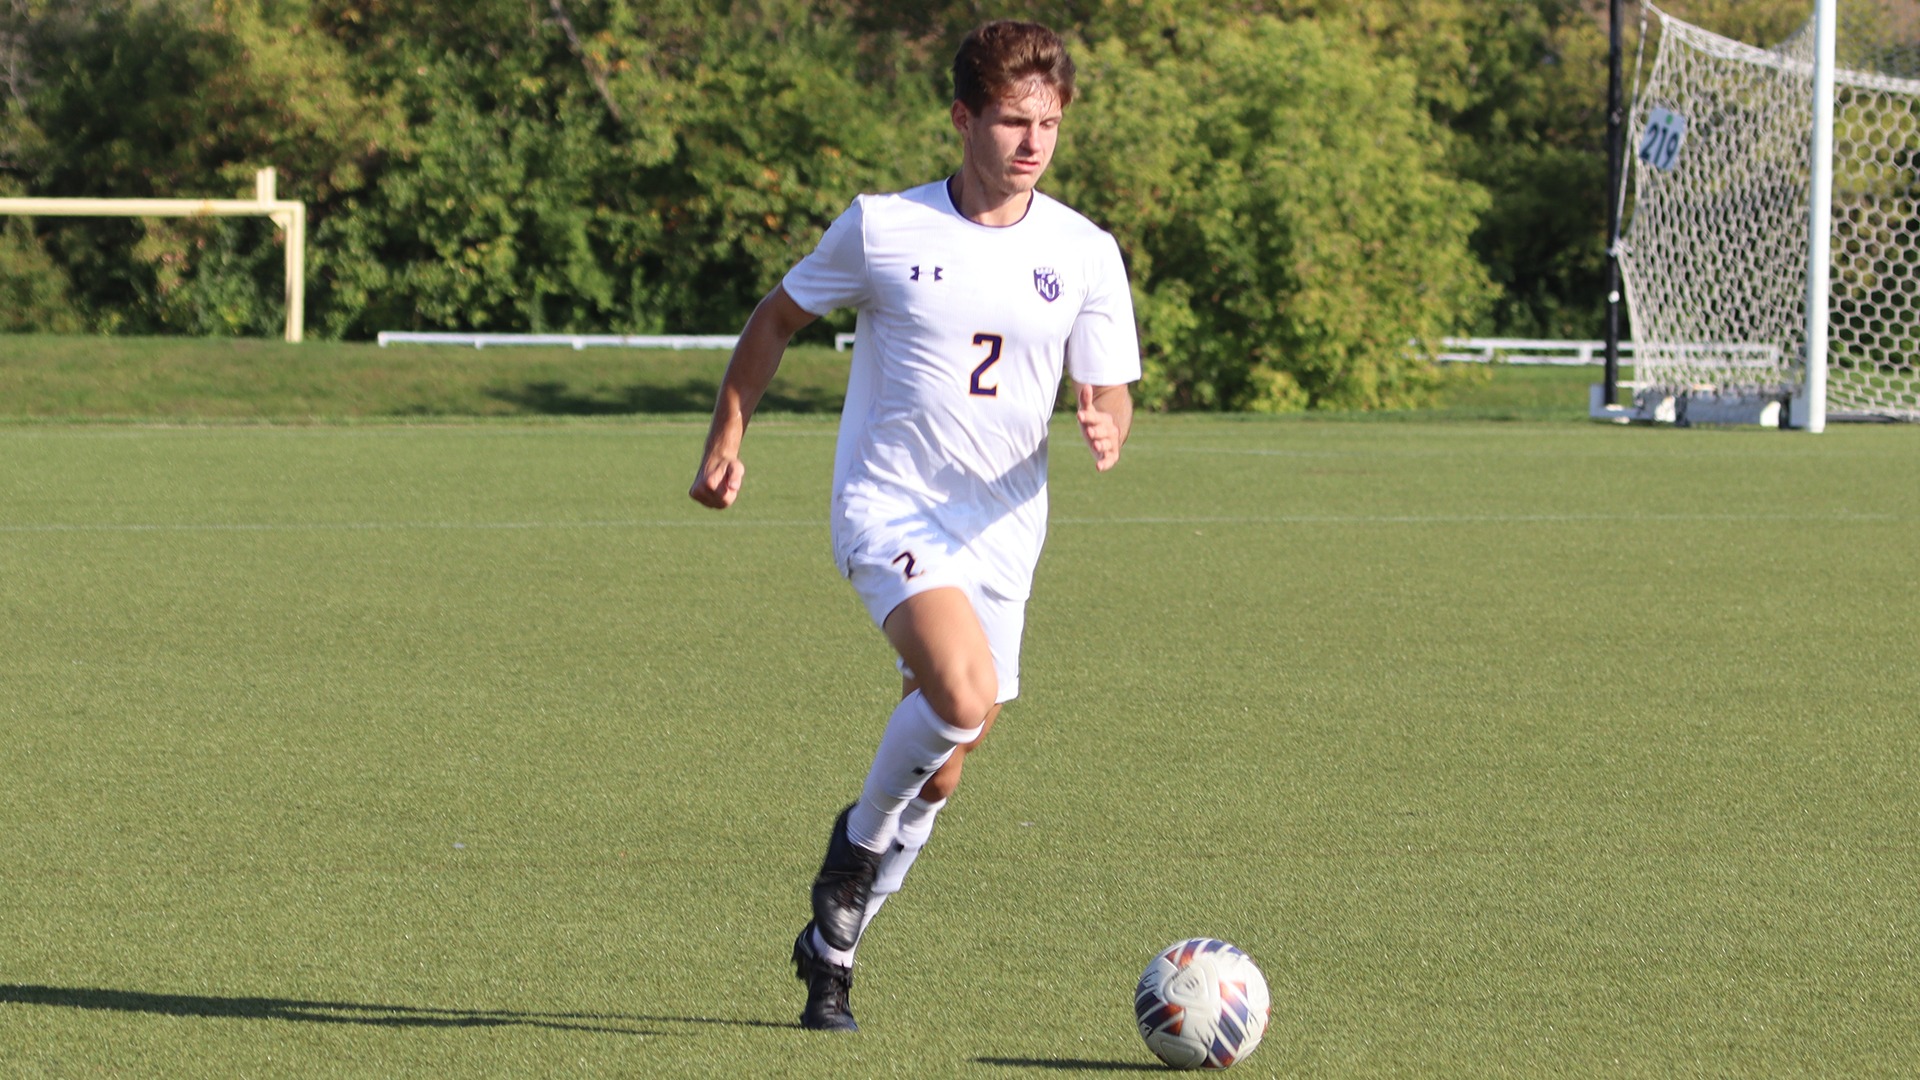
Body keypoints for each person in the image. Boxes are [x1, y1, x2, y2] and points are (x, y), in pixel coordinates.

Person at [688, 19, 1140, 1032]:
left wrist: (1105, 418)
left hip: (1004, 529)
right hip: (889, 506)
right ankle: (852, 852)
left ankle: (835, 946)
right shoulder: (885, 227)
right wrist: (728, 434)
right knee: (963, 690)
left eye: (1050, 124)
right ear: (963, 117)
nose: (1033, 143)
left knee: (950, 757)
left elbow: (1109, 387)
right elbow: (775, 320)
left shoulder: (1085, 252)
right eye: (1013, 121)